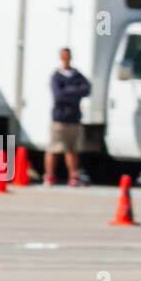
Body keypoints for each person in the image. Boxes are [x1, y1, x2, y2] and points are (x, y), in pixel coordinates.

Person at [46, 47, 91, 187]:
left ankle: (73, 176)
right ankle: (49, 176)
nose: (66, 58)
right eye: (63, 55)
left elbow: (87, 89)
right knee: (54, 148)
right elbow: (58, 96)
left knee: (72, 149)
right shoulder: (56, 76)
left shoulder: (77, 75)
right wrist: (74, 92)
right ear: (61, 57)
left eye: (68, 55)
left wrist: (68, 91)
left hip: (74, 117)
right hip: (60, 118)